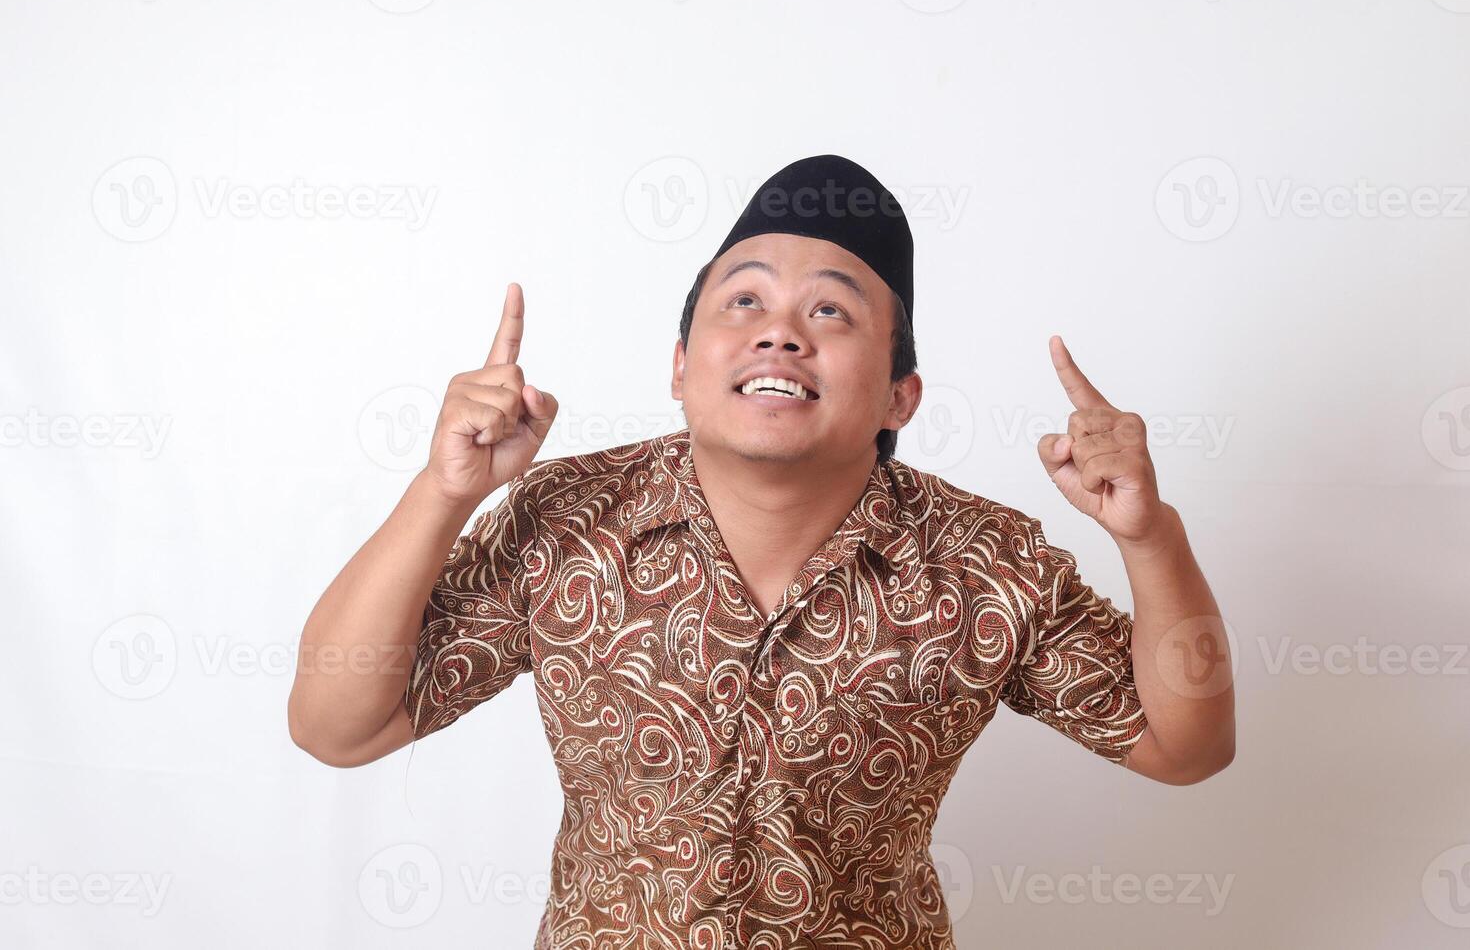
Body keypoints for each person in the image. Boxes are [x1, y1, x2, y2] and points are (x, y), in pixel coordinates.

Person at [287, 155, 1235, 949]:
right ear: (679, 365)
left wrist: (1151, 535)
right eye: (743, 301)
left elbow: (1185, 747)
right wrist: (445, 492)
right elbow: (340, 725)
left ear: (901, 395)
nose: (780, 330)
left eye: (832, 312)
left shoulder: (986, 565)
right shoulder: (568, 520)